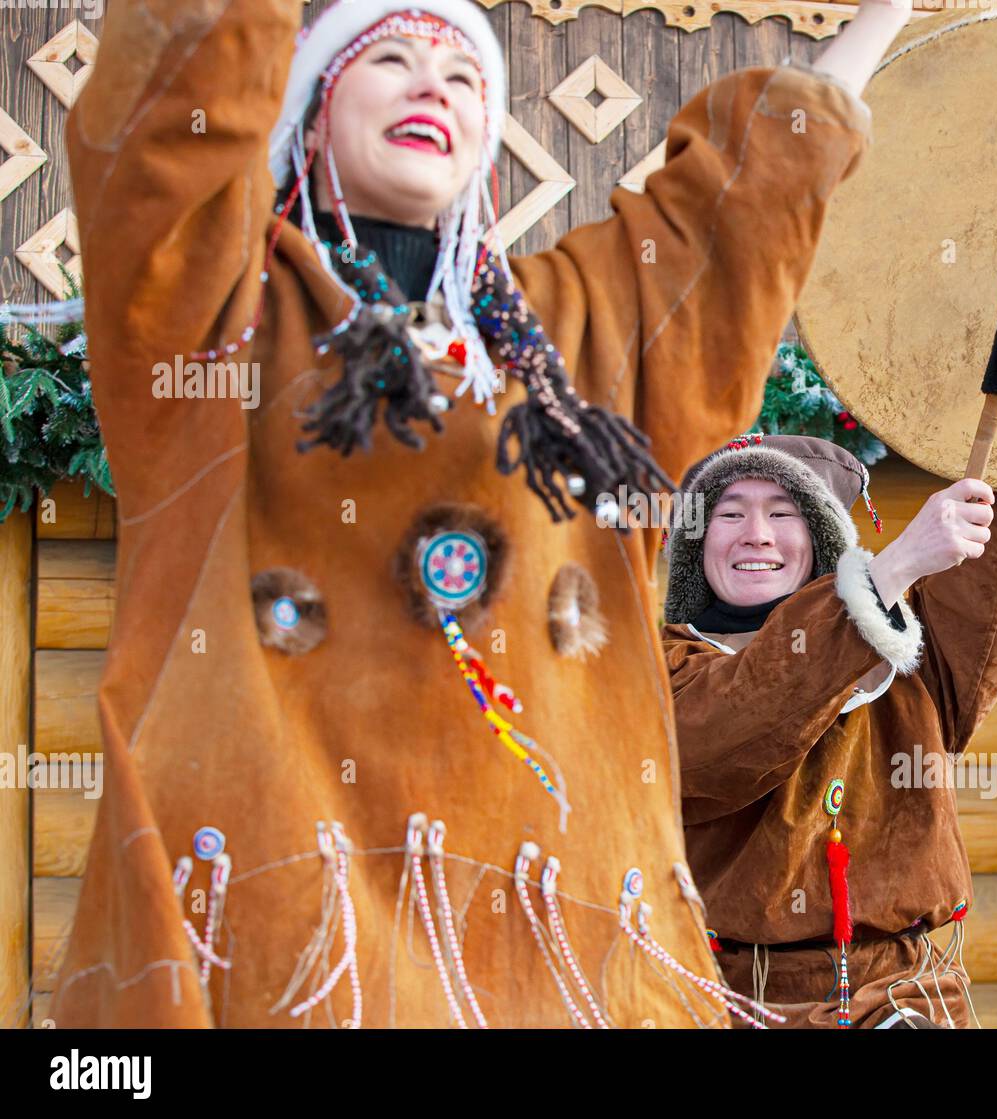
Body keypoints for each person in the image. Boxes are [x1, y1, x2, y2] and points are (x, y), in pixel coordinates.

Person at [44, 0, 915, 1027]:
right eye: (391, 59)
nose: (432, 84)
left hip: (541, 946)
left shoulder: (573, 339)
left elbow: (734, 218)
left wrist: (888, 12)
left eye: (463, 77)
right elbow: (167, 128)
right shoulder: (214, 308)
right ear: (310, 113)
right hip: (271, 926)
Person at [661, 433, 997, 1028]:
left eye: (784, 513)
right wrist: (888, 572)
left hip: (902, 999)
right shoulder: (661, 669)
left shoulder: (914, 656)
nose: (757, 534)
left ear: (823, 537)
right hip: (722, 1003)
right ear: (696, 541)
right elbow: (721, 737)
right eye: (729, 513)